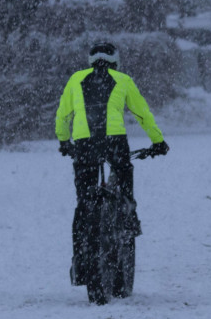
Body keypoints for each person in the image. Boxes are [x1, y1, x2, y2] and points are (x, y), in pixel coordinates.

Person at [55, 42, 168, 284]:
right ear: (115, 61)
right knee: (124, 173)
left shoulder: (75, 79)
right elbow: (142, 114)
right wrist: (158, 141)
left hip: (84, 144)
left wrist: (64, 141)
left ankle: (80, 257)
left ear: (90, 61)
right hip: (114, 142)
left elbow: (63, 115)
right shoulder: (123, 80)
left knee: (84, 202)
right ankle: (127, 218)